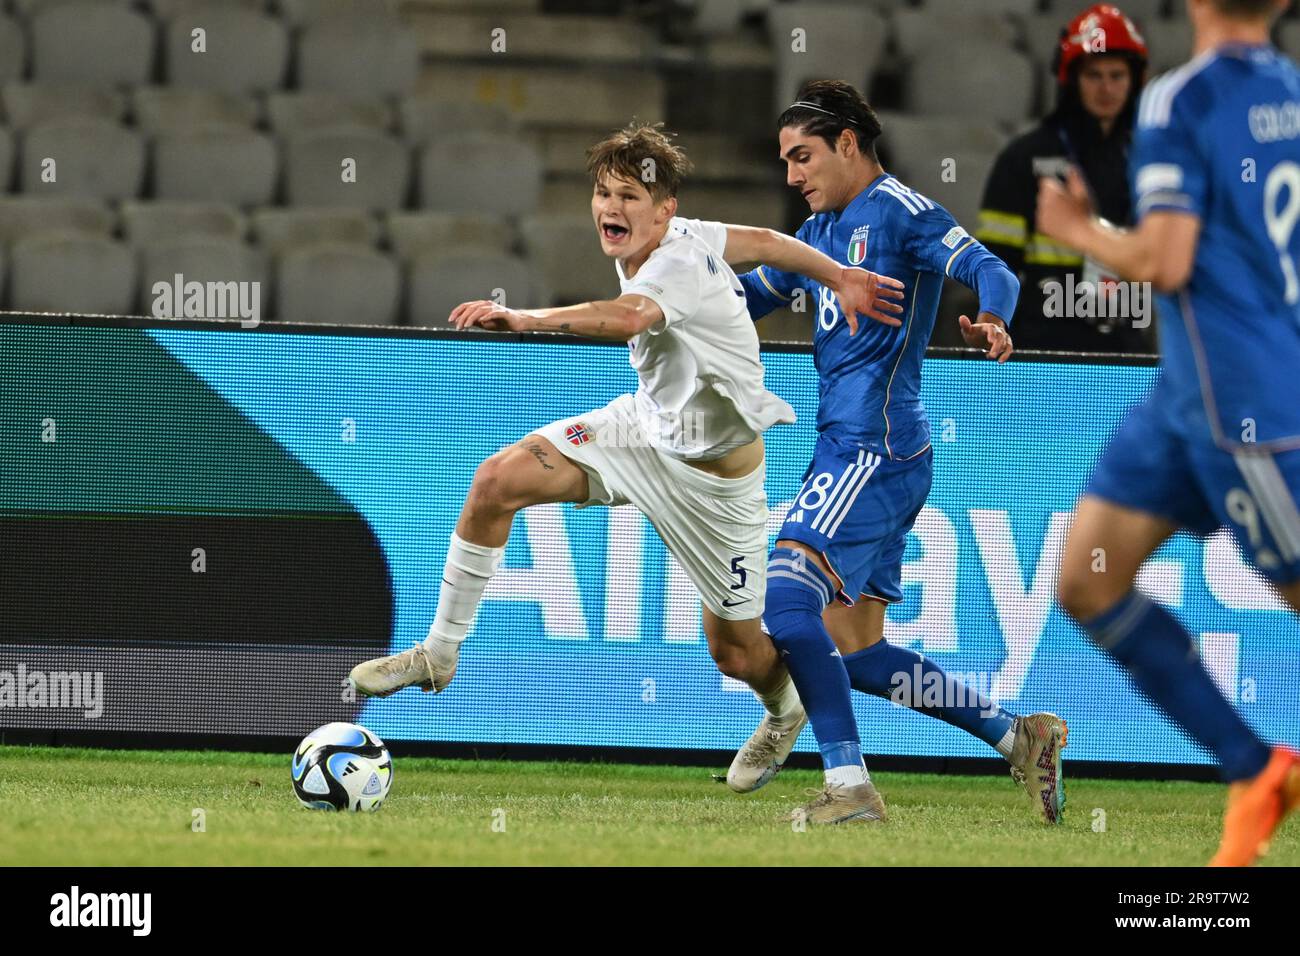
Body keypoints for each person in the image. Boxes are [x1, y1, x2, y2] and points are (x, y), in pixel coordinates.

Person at [347, 122, 904, 787]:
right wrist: (839, 275)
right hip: (641, 431)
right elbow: (766, 243)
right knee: (497, 480)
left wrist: (530, 319)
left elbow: (629, 318)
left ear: (663, 210)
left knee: (738, 653)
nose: (612, 208)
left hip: (715, 486)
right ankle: (438, 654)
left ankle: (784, 710)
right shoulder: (689, 232)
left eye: (629, 197)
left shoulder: (672, 262)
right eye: (604, 193)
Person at [725, 80, 1067, 825]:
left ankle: (849, 789)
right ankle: (1019, 737)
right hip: (868, 452)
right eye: (785, 161)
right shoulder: (816, 237)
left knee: (785, 602)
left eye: (802, 156)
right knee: (855, 652)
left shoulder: (904, 212)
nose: (791, 175)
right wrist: (664, 291)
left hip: (870, 450)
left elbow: (992, 270)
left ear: (849, 143)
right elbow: (743, 298)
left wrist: (994, 317)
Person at [1038, 0, 1300, 865]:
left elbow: (1165, 261)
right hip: (1183, 400)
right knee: (1086, 580)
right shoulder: (1292, 93)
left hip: (1246, 410)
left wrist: (1076, 229)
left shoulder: (1178, 100)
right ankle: (1254, 768)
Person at [978, 3, 1151, 353]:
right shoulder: (1023, 157)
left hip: (1130, 342)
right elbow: (994, 262)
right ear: (1071, 80)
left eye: (1117, 75)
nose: (1106, 88)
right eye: (1094, 75)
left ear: (1133, 82)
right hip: (1043, 345)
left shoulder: (1150, 159)